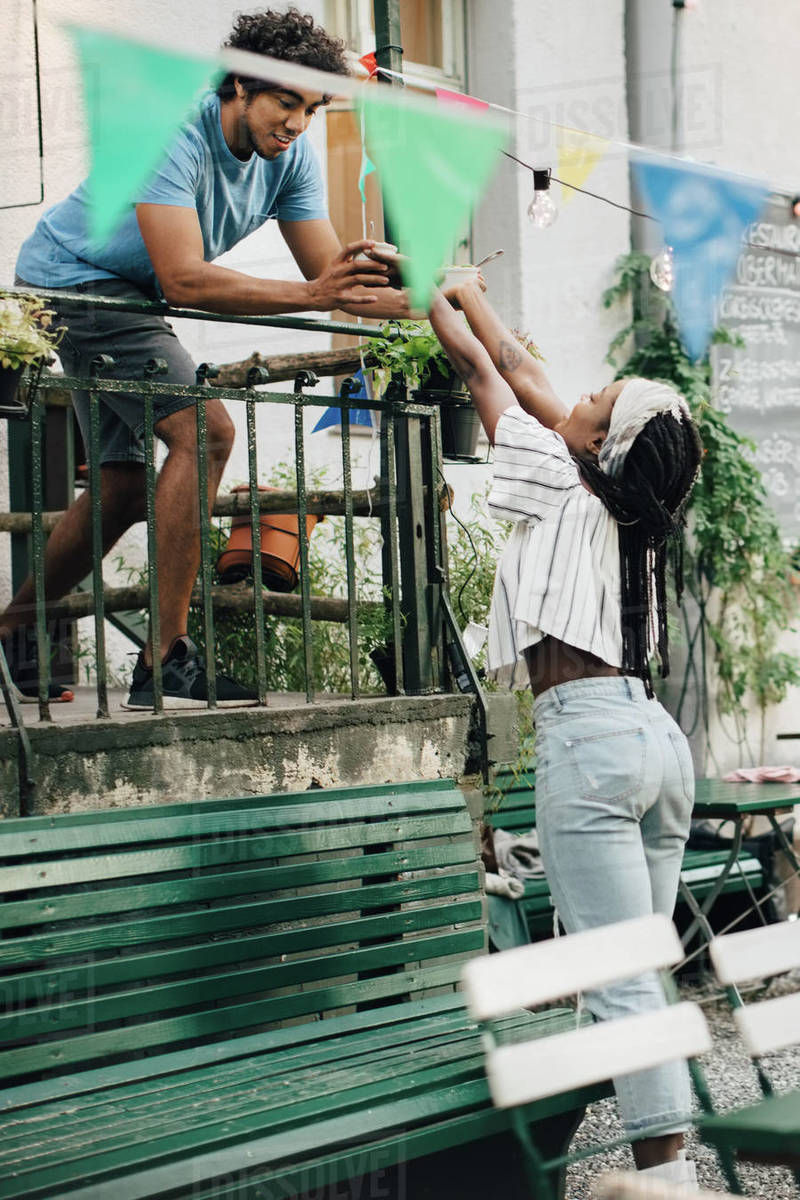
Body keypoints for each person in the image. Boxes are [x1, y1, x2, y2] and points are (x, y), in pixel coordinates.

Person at [4, 7, 406, 709]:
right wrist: (317, 290)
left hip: (126, 292)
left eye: (312, 108)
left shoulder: (292, 161)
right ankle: (164, 661)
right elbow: (186, 277)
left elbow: (336, 286)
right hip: (73, 286)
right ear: (241, 85)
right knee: (206, 431)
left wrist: (433, 298)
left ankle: (8, 628)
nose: (298, 123)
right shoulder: (173, 133)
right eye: (287, 101)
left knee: (124, 489)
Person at [428, 280, 704, 1190]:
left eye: (593, 403)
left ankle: (666, 1178)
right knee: (634, 969)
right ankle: (552, 1159)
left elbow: (486, 369)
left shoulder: (556, 475)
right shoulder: (636, 510)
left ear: (594, 445)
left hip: (588, 743)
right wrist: (473, 290)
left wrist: (436, 297)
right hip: (657, 744)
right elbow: (526, 368)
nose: (575, 395)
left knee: (621, 975)